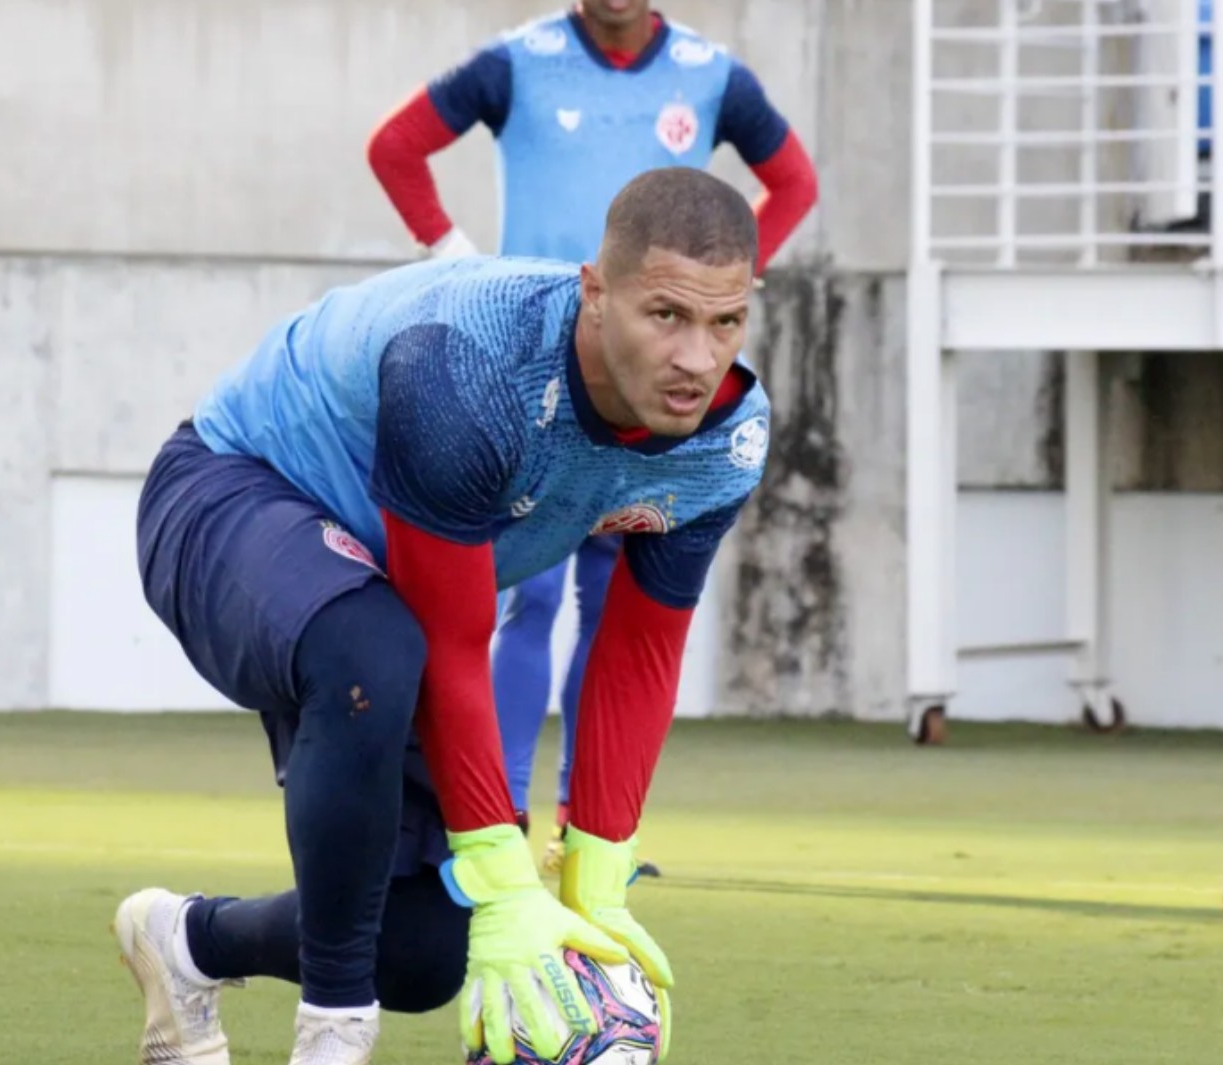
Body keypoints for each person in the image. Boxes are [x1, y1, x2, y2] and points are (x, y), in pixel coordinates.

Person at [111, 167, 772, 1065]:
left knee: (423, 949)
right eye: (667, 316)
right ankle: (332, 1036)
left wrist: (596, 886)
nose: (698, 358)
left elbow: (637, 652)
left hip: (388, 587)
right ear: (596, 293)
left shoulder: (725, 438)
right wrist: (504, 884)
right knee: (373, 648)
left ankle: (189, 945)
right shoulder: (469, 367)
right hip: (229, 489)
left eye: (725, 322)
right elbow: (454, 645)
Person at [367, 0, 816, 874]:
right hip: (528, 376)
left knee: (617, 609)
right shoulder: (515, 61)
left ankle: (589, 829)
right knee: (524, 602)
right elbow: (395, 147)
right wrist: (453, 254)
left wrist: (727, 285)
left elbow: (795, 182)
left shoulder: (713, 75)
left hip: (645, 394)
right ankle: (496, 819)